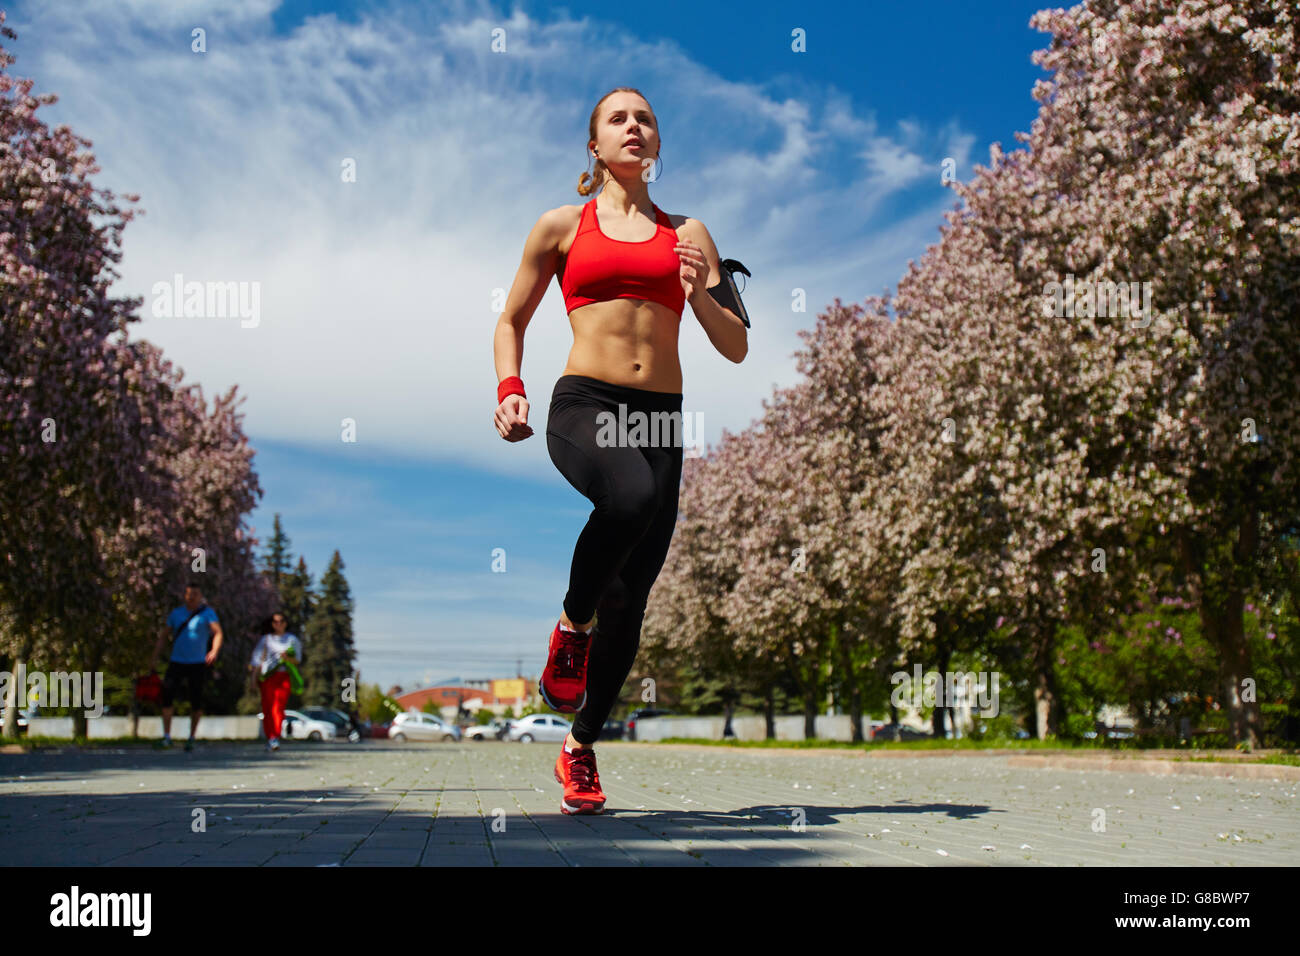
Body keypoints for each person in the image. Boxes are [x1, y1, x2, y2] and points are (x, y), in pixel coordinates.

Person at [491, 88, 748, 814]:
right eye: (619, 119)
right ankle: (571, 627)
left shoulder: (689, 232)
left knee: (631, 604)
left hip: (662, 419)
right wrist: (510, 386)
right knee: (628, 498)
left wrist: (701, 294)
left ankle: (579, 748)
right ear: (594, 146)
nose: (635, 127)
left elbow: (736, 346)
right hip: (587, 404)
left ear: (656, 145)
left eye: (647, 119)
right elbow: (510, 319)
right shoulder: (561, 226)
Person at [150, 581, 223, 751]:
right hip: (177, 661)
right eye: (189, 594)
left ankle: (191, 737)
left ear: (200, 596)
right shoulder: (176, 614)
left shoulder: (207, 614)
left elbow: (218, 632)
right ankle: (167, 736)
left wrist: (214, 650)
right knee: (167, 697)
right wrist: (154, 657)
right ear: (185, 595)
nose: (192, 597)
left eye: (196, 594)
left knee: (196, 700)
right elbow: (164, 636)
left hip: (197, 663)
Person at [248, 612, 302, 752]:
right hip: (268, 677)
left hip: (283, 676)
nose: (279, 624)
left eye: (281, 621)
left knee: (278, 706)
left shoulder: (292, 640)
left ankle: (275, 736)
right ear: (272, 624)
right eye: (275, 621)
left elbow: (297, 660)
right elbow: (257, 661)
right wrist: (253, 679)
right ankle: (270, 736)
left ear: (286, 623)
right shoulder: (266, 639)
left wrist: (287, 658)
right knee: (267, 708)